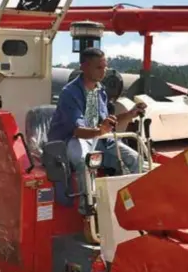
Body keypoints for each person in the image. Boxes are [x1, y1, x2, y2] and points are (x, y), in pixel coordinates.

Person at [48, 47, 146, 216]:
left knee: (135, 159)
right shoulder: (69, 93)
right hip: (72, 139)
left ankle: (129, 207)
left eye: (105, 67)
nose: (104, 71)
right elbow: (77, 130)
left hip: (98, 137)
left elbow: (105, 121)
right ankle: (88, 210)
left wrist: (130, 114)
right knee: (85, 160)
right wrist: (101, 130)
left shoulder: (100, 90)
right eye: (99, 67)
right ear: (84, 67)